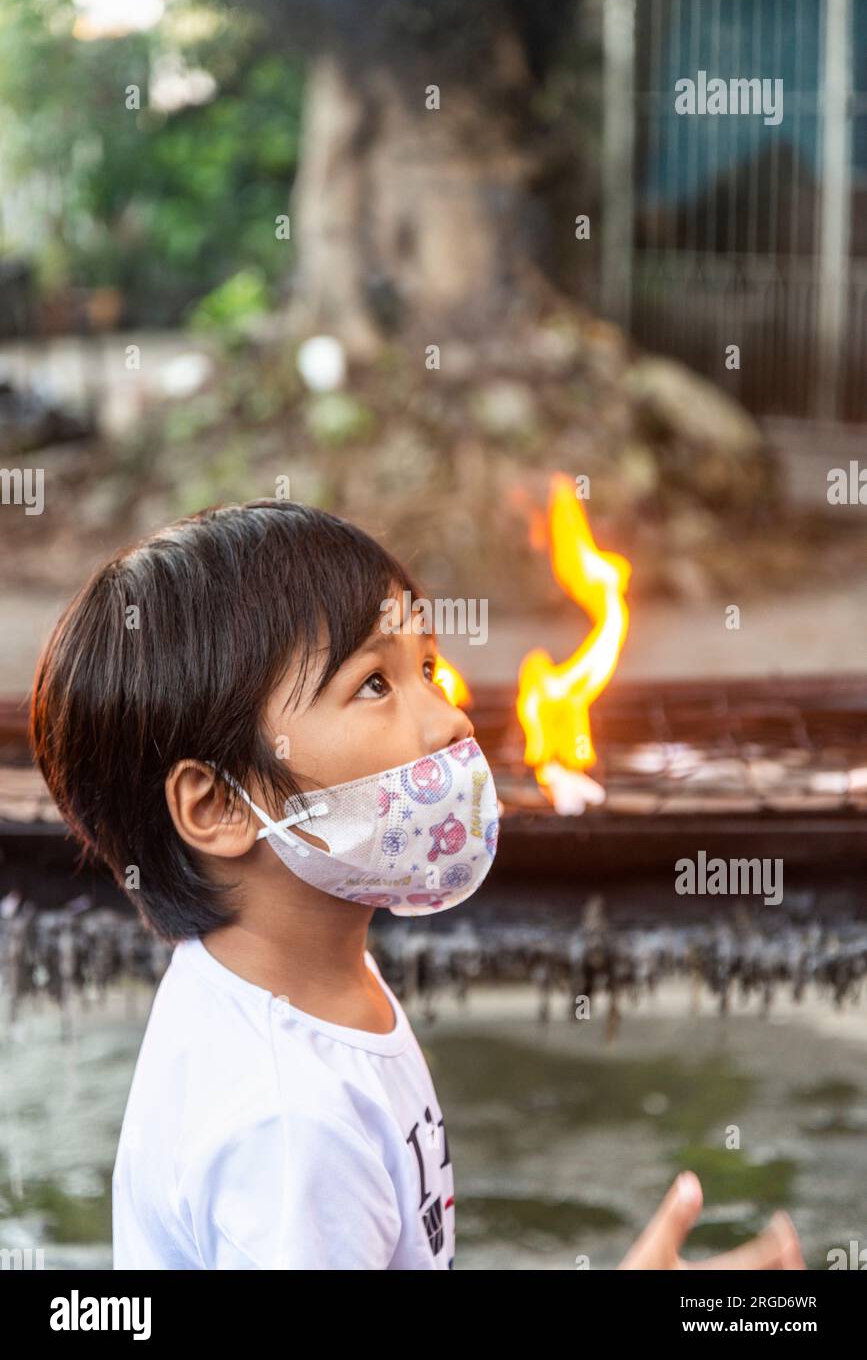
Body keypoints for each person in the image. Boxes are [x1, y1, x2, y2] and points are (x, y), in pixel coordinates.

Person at [30, 499, 804, 1270]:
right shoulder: (291, 1130)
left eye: (426, 668)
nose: (451, 722)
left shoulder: (294, 985)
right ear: (220, 805)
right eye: (374, 684)